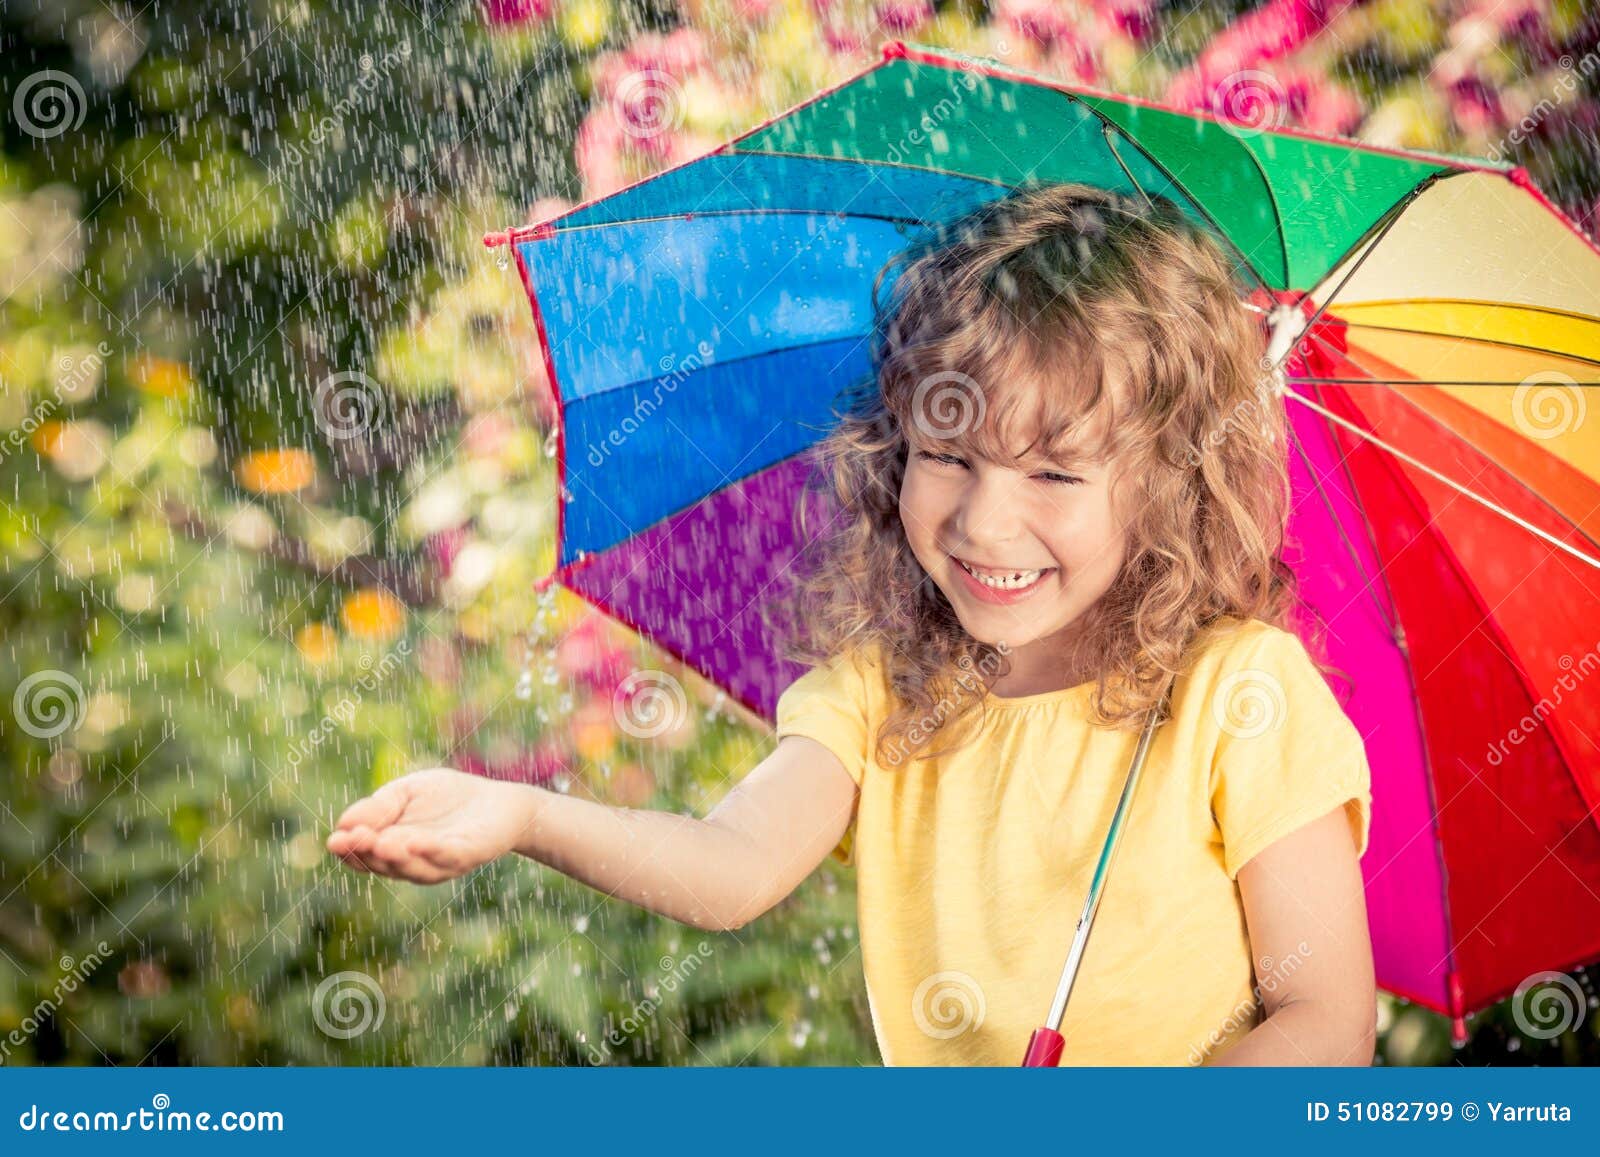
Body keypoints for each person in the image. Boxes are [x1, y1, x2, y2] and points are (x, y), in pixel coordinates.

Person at [327, 181, 1376, 1067]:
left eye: (1055, 472)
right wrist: (522, 816)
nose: (983, 519)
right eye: (951, 452)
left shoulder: (1239, 694)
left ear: (1168, 490)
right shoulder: (883, 687)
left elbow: (1326, 1020)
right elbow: (729, 866)